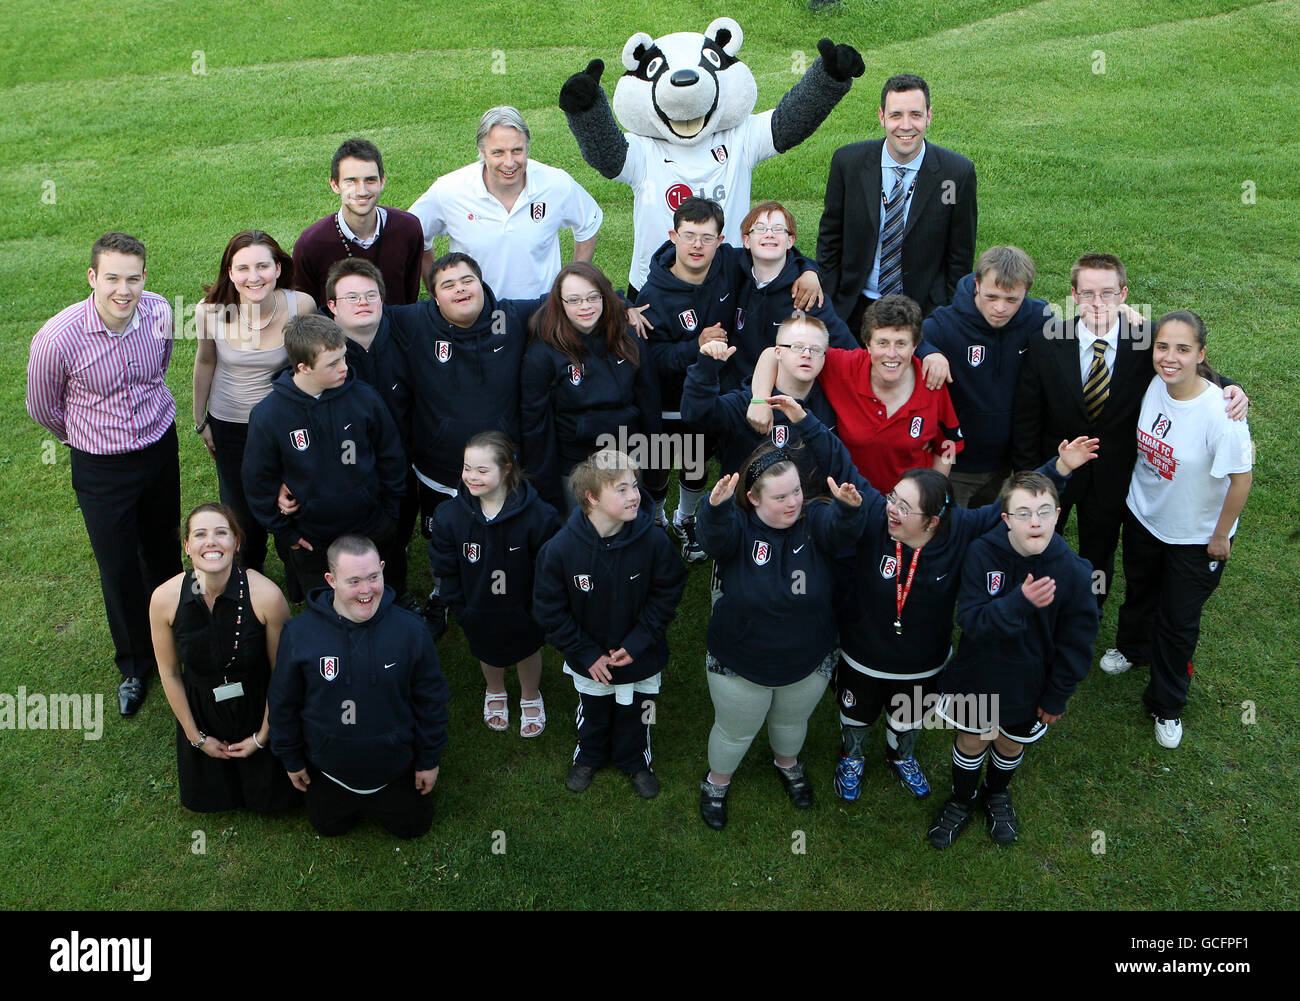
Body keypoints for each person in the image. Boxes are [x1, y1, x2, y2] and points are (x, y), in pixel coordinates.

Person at [783, 399, 1099, 802]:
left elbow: (1017, 507)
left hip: (923, 659)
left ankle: (901, 756)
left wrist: (1060, 469)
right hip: (862, 652)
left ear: (933, 521)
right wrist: (803, 419)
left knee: (908, 715)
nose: (891, 510)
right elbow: (838, 459)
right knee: (855, 713)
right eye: (894, 498)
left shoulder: (960, 530)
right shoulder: (874, 514)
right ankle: (853, 756)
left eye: (904, 507)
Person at [1012, 253, 1248, 606]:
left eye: (1107, 293)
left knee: (1100, 549)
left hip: (1114, 471)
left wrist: (1231, 386)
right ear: (1074, 296)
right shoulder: (1047, 340)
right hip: (1056, 466)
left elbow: (1184, 365)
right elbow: (1027, 415)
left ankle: (1089, 609)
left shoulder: (1147, 339)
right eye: (1088, 293)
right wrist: (1030, 475)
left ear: (1123, 295)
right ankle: (1038, 600)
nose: (1097, 303)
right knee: (1042, 538)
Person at [26, 231, 181, 716]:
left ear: (144, 277)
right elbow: (43, 407)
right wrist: (86, 438)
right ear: (92, 277)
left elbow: (160, 366)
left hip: (158, 445)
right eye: (112, 277)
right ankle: (136, 663)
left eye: (133, 278)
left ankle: (178, 636)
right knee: (117, 565)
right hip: (100, 464)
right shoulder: (57, 337)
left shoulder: (158, 312)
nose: (123, 289)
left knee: (162, 548)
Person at [1097, 311, 1253, 749]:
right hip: (1145, 517)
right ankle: (1131, 647)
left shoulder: (1222, 412)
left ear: (1202, 356)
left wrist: (1221, 536)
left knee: (1178, 621)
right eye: (1163, 347)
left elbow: (1241, 479)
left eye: (1183, 350)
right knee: (1140, 591)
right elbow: (1130, 320)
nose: (1170, 357)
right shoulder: (1153, 384)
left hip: (1197, 537)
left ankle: (1167, 705)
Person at [694, 445, 868, 830]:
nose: (793, 502)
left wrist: (848, 510)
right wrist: (715, 509)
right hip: (741, 659)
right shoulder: (737, 526)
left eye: (796, 491)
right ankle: (716, 783)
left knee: (792, 723)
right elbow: (713, 539)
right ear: (753, 498)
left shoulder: (815, 518)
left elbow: (841, 535)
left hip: (808, 656)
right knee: (734, 731)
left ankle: (787, 763)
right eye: (780, 496)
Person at [927, 472, 1099, 849]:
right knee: (972, 739)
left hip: (1029, 686)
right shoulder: (981, 554)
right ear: (1005, 519)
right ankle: (962, 798)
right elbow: (970, 621)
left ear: (1058, 514)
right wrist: (1018, 603)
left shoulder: (1073, 572)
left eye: (1043, 511)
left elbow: (1077, 642)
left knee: (1009, 744)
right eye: (1022, 513)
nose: (1034, 522)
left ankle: (996, 793)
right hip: (979, 675)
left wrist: (1058, 694)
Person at [269, 535, 449, 838]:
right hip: (329, 769)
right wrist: (291, 759)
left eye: (373, 577)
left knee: (414, 829)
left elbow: (431, 700)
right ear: (331, 580)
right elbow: (283, 701)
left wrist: (429, 760)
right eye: (353, 581)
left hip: (395, 767)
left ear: (382, 569)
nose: (366, 590)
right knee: (328, 828)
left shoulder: (411, 630)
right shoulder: (299, 634)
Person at [532, 449, 688, 799]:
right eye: (621, 489)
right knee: (593, 709)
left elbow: (667, 594)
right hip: (590, 659)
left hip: (640, 655)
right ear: (592, 498)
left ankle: (635, 759)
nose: (635, 495)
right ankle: (589, 753)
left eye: (634, 485)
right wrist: (586, 653)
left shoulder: (654, 542)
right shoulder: (559, 551)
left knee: (639, 712)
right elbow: (549, 610)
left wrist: (637, 643)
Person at [242, 314, 406, 599]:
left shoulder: (364, 398)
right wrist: (286, 533)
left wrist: (390, 512)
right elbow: (258, 478)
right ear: (303, 367)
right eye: (333, 363)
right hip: (312, 539)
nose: (344, 368)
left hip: (371, 526)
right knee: (326, 606)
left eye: (344, 357)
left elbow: (390, 455)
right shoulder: (269, 415)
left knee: (380, 595)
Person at [148, 503, 298, 813]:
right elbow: (169, 672)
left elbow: (282, 673)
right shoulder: (163, 599)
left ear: (237, 542)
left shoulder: (267, 596)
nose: (211, 542)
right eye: (200, 534)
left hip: (259, 706)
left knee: (275, 801)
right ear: (187, 546)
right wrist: (195, 736)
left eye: (221, 533)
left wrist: (264, 735)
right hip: (202, 711)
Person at [193, 230, 315, 577]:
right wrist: (201, 421)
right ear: (229, 273)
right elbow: (205, 363)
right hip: (229, 423)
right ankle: (248, 572)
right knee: (241, 509)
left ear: (278, 268)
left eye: (263, 266)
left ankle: (299, 573)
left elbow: (310, 367)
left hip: (282, 424)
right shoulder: (210, 312)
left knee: (290, 501)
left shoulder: (301, 305)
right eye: (242, 268)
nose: (253, 276)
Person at [748, 295, 963, 492]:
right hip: (850, 500)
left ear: (915, 346)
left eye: (901, 344)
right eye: (882, 343)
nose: (891, 354)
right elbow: (773, 354)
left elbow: (948, 445)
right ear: (867, 344)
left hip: (906, 509)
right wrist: (759, 400)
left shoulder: (931, 383)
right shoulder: (843, 367)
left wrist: (931, 492)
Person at [817, 73, 977, 332]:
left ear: (929, 116)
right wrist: (832, 303)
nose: (905, 125)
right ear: (882, 117)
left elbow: (959, 256)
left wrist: (945, 315)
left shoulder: (955, 175)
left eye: (915, 114)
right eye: (895, 115)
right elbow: (830, 238)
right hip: (853, 307)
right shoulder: (848, 163)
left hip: (923, 313)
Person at [429, 433, 562, 736]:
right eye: (467, 468)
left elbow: (550, 568)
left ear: (505, 470)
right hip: (477, 608)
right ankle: (495, 690)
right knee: (487, 650)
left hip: (525, 609)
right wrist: (460, 608)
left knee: (527, 650)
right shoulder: (449, 517)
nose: (471, 477)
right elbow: (444, 566)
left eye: (482, 470)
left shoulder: (540, 516)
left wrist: (540, 609)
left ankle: (530, 695)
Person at [408, 106, 603, 300]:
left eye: (517, 151)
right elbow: (414, 234)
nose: (509, 163)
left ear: (527, 147)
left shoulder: (556, 184)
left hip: (540, 313)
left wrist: (570, 285)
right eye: (498, 153)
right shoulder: (448, 190)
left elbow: (589, 223)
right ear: (482, 152)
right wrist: (436, 290)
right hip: (475, 317)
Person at [521, 261, 662, 512]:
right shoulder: (542, 354)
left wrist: (653, 467)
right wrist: (545, 486)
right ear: (560, 304)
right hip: (576, 465)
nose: (585, 306)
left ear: (604, 297)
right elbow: (536, 426)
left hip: (626, 456)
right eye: (574, 300)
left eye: (592, 297)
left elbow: (649, 403)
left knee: (627, 532)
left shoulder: (628, 338)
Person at [322, 258, 420, 610]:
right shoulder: (323, 353)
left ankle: (397, 587)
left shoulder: (406, 334)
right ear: (332, 307)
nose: (363, 302)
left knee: (395, 530)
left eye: (370, 294)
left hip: (401, 463)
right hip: (346, 469)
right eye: (351, 297)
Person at [922, 245, 1049, 507]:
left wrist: (1123, 316)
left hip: (1006, 465)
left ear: (1026, 291)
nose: (1000, 308)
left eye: (1012, 300)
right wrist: (928, 352)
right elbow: (908, 338)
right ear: (977, 283)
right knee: (950, 535)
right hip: (955, 464)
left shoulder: (1038, 318)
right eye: (992, 297)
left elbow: (1080, 332)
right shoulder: (945, 324)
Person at [682, 315, 841, 486]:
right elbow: (696, 415)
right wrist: (705, 369)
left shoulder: (833, 404)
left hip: (810, 508)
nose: (807, 354)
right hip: (747, 507)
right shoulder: (746, 403)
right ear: (778, 352)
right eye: (797, 347)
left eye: (816, 350)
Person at [722, 200, 855, 391]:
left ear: (790, 241)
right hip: (734, 392)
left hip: (785, 399)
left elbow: (847, 351)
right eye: (760, 229)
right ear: (746, 240)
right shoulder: (733, 271)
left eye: (778, 229)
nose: (769, 234)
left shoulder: (806, 295)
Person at [292, 138, 425, 308]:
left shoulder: (407, 229)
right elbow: (306, 309)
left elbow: (409, 296)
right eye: (351, 181)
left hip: (396, 332)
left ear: (382, 182)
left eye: (370, 180)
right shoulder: (311, 244)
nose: (362, 191)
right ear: (335, 185)